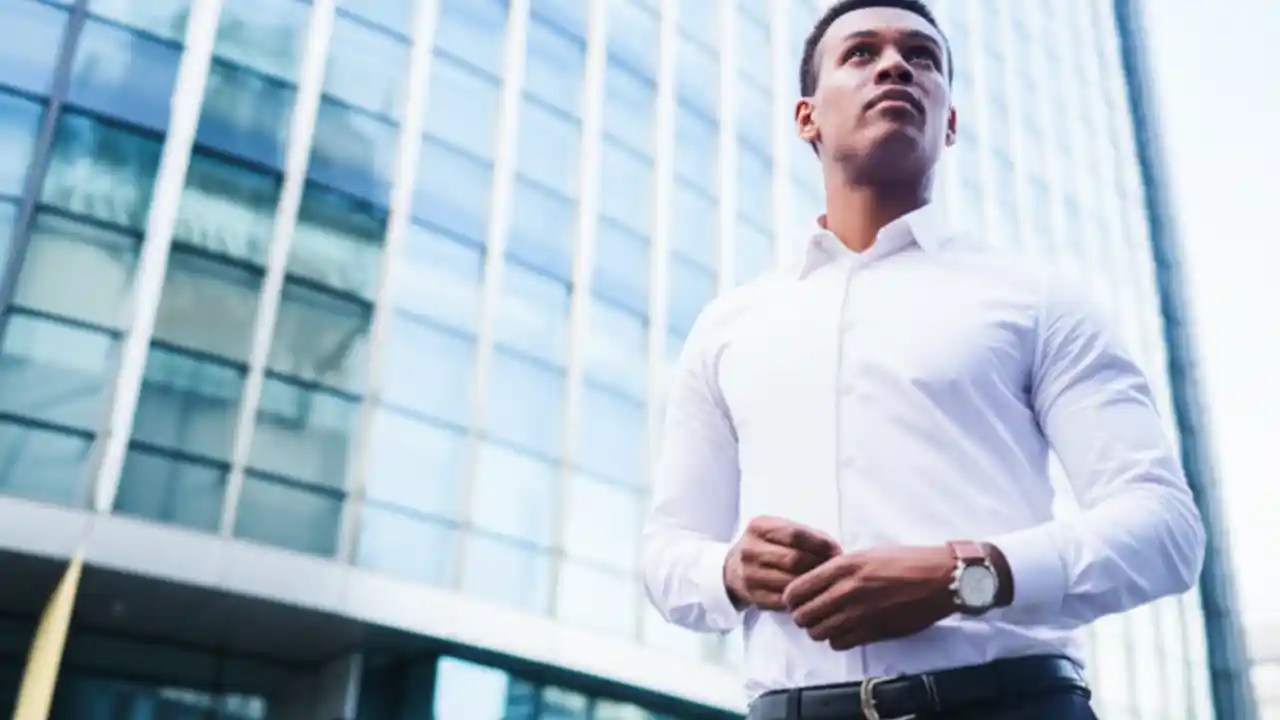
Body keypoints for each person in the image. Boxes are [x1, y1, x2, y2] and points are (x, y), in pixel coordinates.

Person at [641, 1, 1206, 718]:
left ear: (950, 121)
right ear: (806, 117)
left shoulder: (1040, 300)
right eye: (860, 53)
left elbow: (1164, 532)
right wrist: (729, 569)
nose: (895, 65)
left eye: (922, 56)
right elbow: (666, 555)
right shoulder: (727, 326)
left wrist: (965, 574)